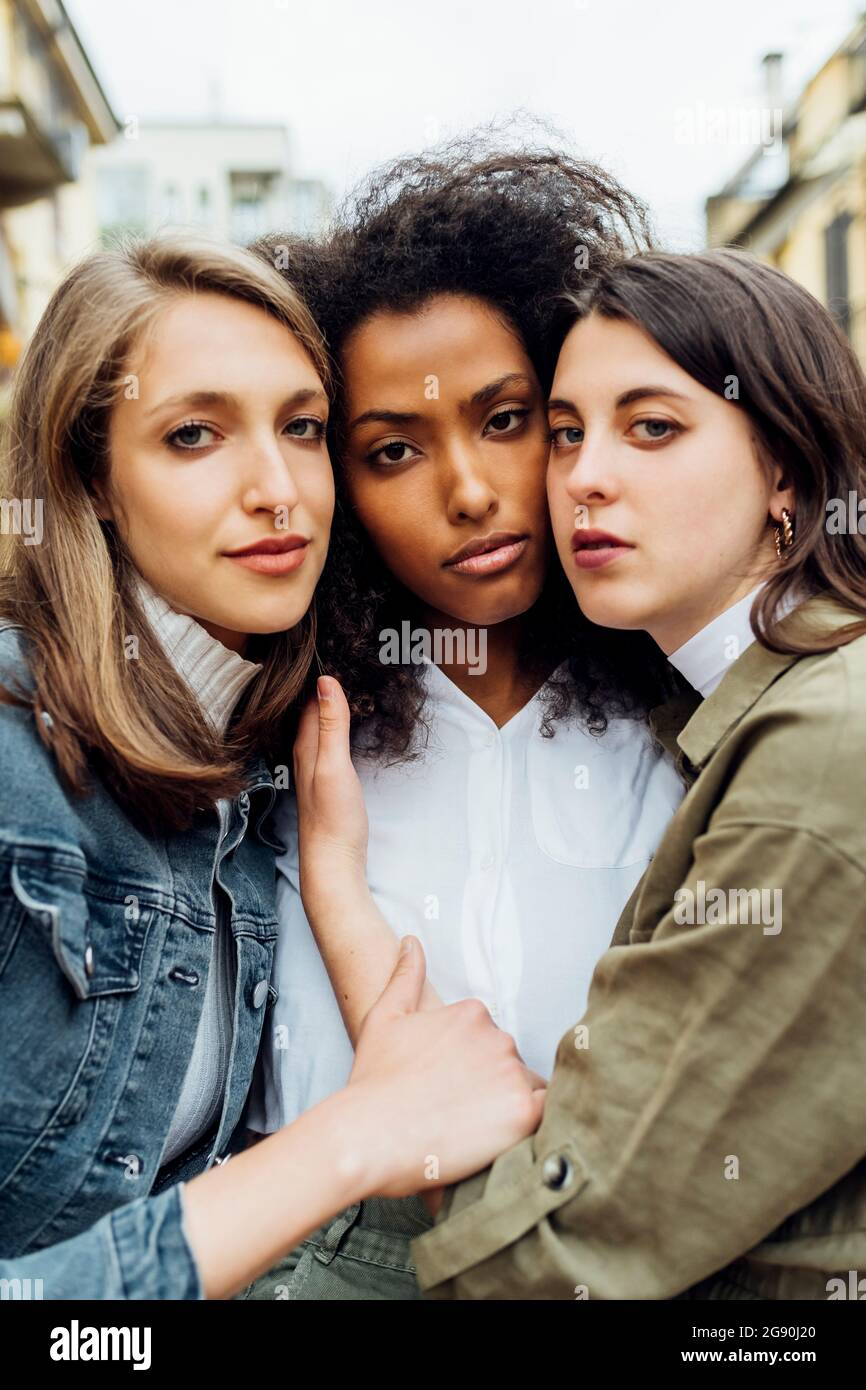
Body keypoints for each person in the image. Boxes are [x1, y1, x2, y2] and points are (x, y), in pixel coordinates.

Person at [287, 247, 866, 1299]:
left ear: (784, 467)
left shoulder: (823, 738)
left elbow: (566, 1239)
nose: (582, 476)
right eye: (566, 430)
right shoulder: (746, 712)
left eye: (651, 427)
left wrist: (337, 891)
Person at [0, 234, 542, 1300]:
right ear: (90, 479)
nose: (277, 488)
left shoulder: (250, 768)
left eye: (301, 428)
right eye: (194, 435)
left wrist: (331, 865)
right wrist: (352, 1137)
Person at [242, 144, 688, 1299]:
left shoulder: (689, 714)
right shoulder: (268, 732)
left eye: (505, 418)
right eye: (392, 450)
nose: (470, 490)